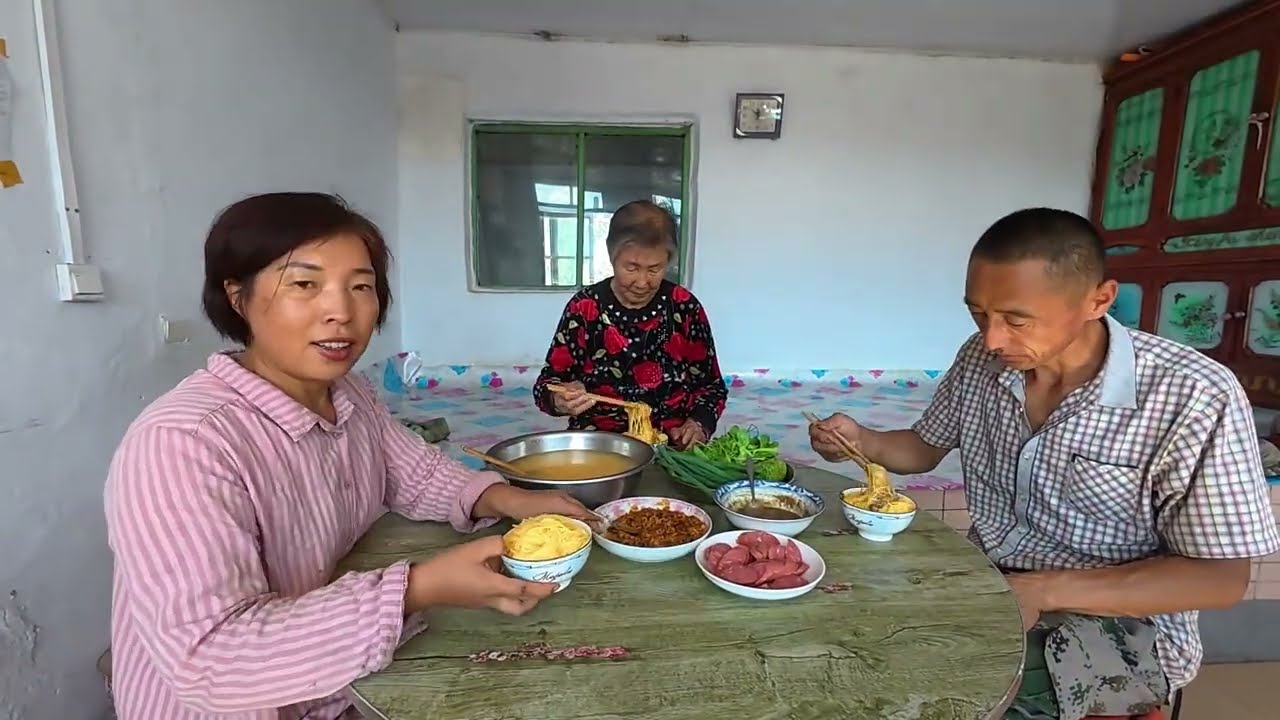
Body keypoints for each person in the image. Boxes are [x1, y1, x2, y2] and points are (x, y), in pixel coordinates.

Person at [104, 193, 598, 719]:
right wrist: (419, 588)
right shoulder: (183, 443)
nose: (341, 312)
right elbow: (212, 659)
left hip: (334, 684)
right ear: (237, 295)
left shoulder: (349, 394)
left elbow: (414, 470)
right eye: (304, 284)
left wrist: (504, 496)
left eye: (361, 287)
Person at [810, 208, 1279, 720]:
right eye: (978, 314)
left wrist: (1040, 589)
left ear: (1098, 300)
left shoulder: (1192, 394)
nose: (992, 339)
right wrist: (861, 440)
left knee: (937, 696)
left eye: (1016, 318)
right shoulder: (982, 360)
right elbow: (923, 448)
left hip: (1121, 626)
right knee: (841, 644)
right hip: (992, 586)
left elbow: (1220, 579)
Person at [532, 200, 728, 449]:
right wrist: (559, 399)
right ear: (612, 255)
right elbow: (546, 385)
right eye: (632, 268)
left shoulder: (683, 307)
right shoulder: (584, 308)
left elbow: (711, 386)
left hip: (670, 443)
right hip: (599, 443)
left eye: (655, 269)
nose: (642, 282)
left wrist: (698, 424)